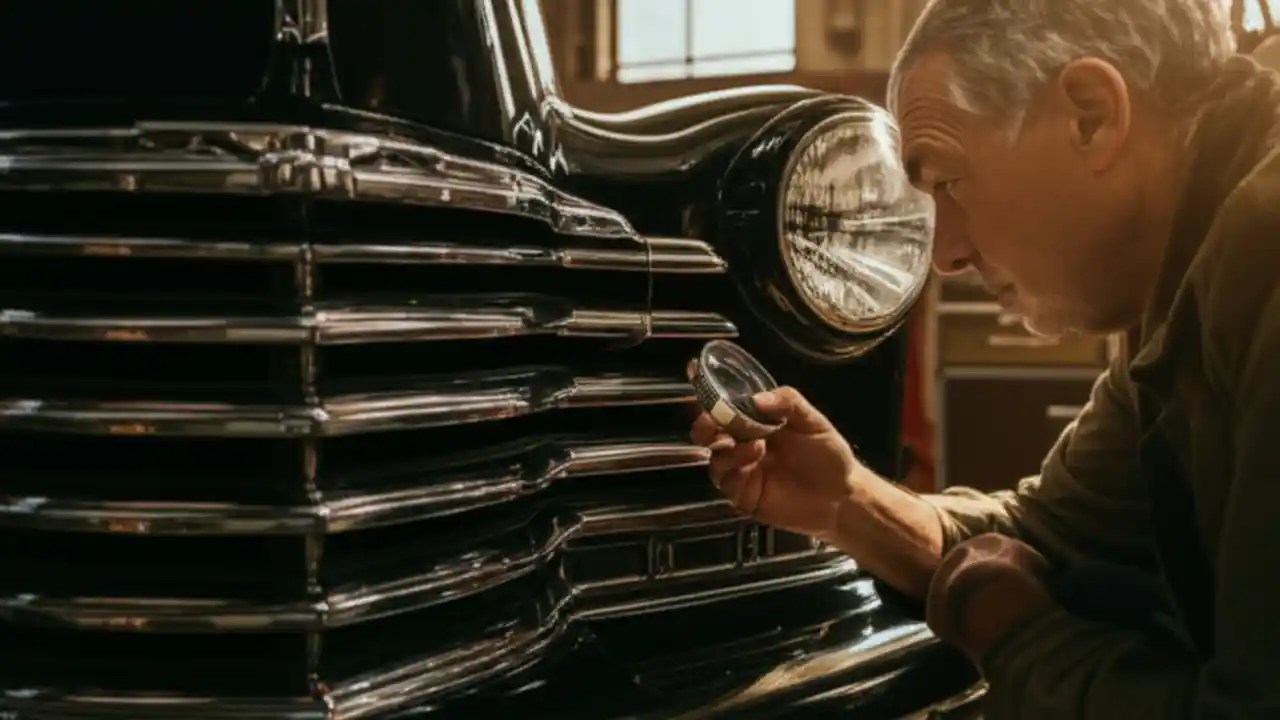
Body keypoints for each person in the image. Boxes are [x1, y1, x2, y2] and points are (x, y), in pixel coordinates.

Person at [690, 1, 1280, 717]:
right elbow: (1047, 541)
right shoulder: (1181, 287)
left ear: (1091, 116)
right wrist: (845, 501)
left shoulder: (1263, 255)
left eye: (948, 182)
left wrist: (1012, 636)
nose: (948, 254)